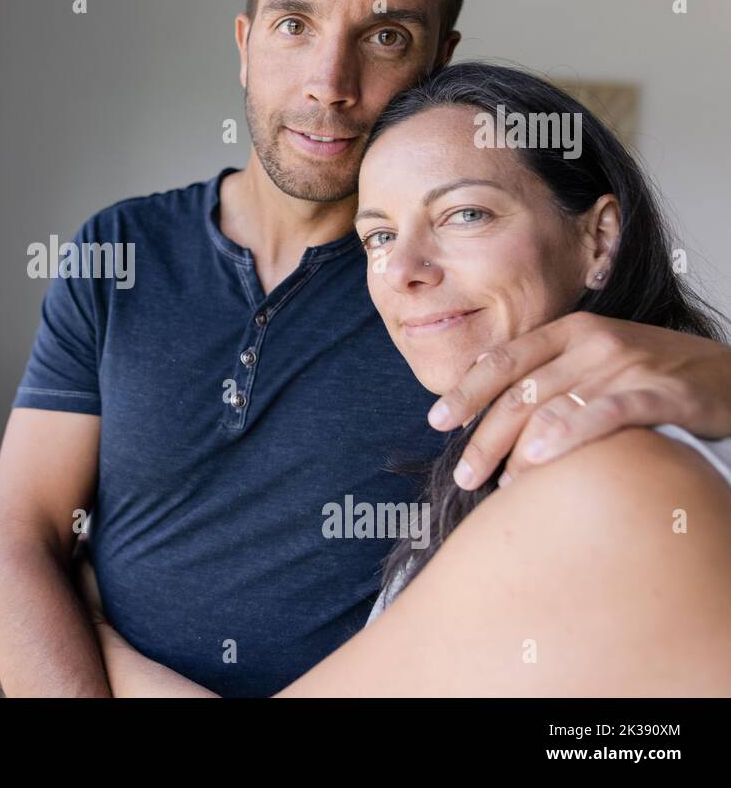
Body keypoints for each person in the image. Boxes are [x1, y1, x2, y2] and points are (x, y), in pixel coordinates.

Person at [0, 0, 731, 698]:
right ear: (246, 42)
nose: (329, 85)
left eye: (384, 36)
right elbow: (18, 535)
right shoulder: (118, 250)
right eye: (294, 24)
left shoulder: (463, 320)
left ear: (438, 60)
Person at [85, 62, 731, 696]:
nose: (403, 270)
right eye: (380, 235)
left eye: (465, 214)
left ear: (600, 238)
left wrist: (95, 636)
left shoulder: (603, 482)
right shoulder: (525, 464)